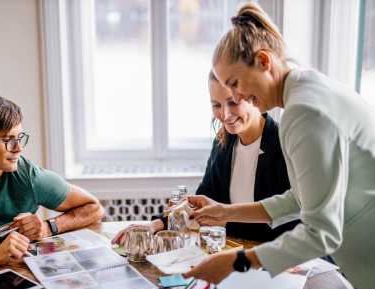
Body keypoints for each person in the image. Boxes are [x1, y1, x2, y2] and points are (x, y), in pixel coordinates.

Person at [183, 3, 375, 289]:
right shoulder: (308, 89)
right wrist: (226, 212)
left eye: (234, 83)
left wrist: (237, 261)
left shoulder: (304, 114)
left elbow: (321, 233)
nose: (236, 98)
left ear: (263, 61)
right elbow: (302, 197)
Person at [112, 69, 299, 245]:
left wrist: (225, 222)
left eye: (233, 102)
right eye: (216, 105)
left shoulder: (284, 145)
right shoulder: (223, 142)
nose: (224, 115)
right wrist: (155, 225)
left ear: (253, 97)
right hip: (231, 254)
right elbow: (202, 203)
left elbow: (289, 227)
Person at [0, 94, 104, 265]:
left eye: (19, 138)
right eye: (7, 140)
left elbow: (94, 208)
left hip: (13, 273)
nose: (18, 149)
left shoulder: (30, 178)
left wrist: (48, 227)